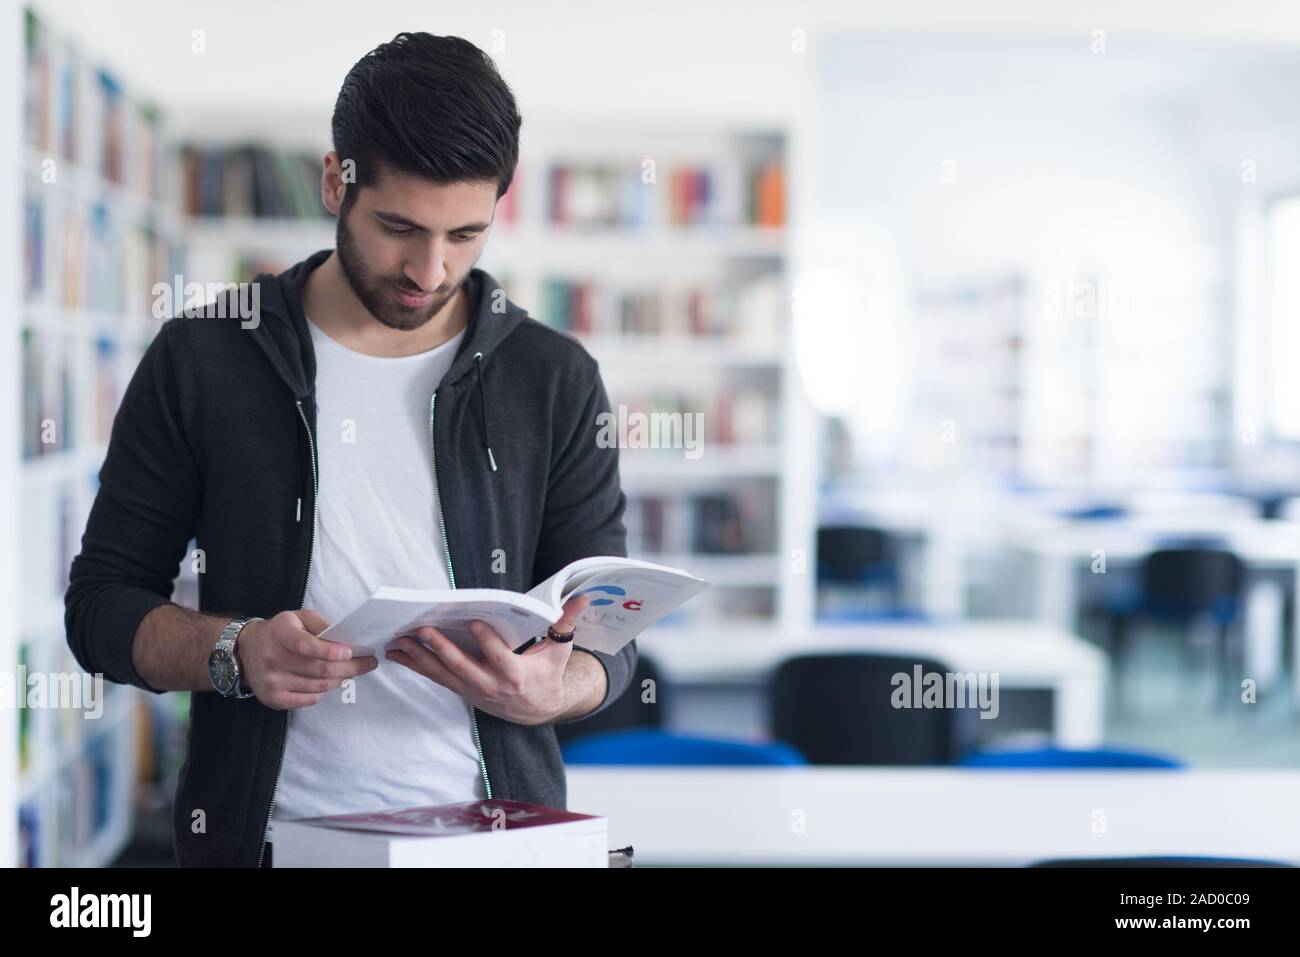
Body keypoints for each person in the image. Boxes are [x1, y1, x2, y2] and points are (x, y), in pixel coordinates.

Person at [65, 32, 634, 868]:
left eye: (465, 235)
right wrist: (235, 653)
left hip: (499, 846)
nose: (430, 270)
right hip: (264, 846)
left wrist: (559, 685)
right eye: (399, 227)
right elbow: (101, 608)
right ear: (337, 179)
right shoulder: (205, 356)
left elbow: (613, 638)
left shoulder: (553, 377)